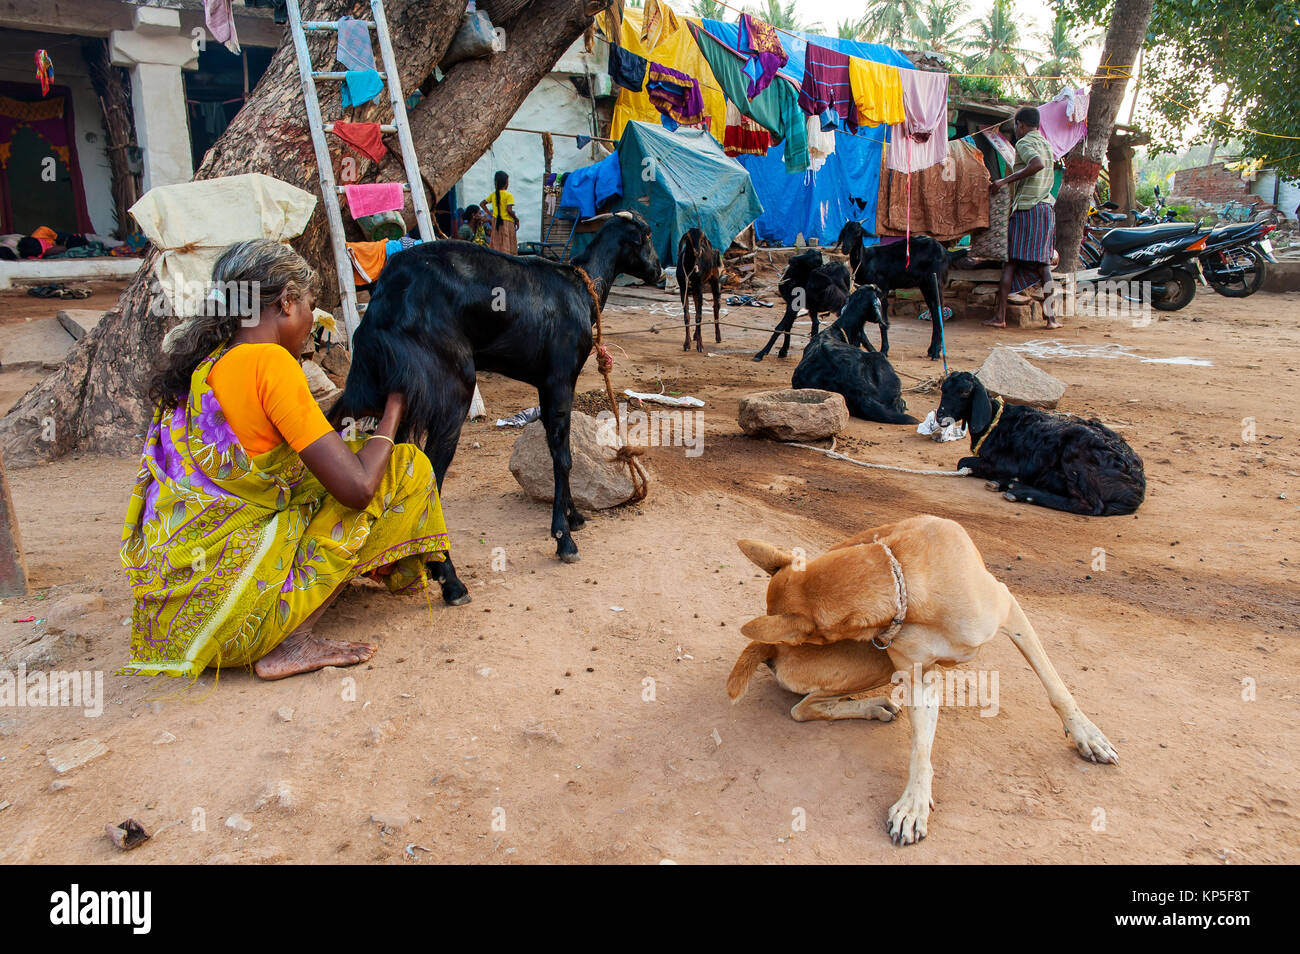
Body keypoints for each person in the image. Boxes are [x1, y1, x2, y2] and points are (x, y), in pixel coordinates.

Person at [121, 239, 452, 681]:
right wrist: (395, 408)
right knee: (405, 467)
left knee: (322, 476)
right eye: (311, 306)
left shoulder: (208, 364)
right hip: (237, 624)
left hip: (179, 620)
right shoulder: (271, 364)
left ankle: (279, 617)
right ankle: (291, 640)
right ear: (286, 302)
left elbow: (284, 457)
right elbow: (356, 489)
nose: (312, 321)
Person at [987, 107, 1062, 330]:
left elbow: (1036, 164)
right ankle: (1051, 319)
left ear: (1020, 124)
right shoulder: (1046, 143)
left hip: (1028, 208)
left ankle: (999, 317)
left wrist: (1004, 181)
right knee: (1043, 265)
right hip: (1045, 209)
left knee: (1010, 262)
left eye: (1016, 127)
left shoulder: (1024, 143)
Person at [481, 169, 518, 255]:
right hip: (507, 223)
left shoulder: (493, 195)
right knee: (508, 246)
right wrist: (516, 219)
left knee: (497, 245)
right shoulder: (509, 195)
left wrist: (492, 215)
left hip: (496, 222)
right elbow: (509, 211)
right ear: (505, 183)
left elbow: (482, 204)